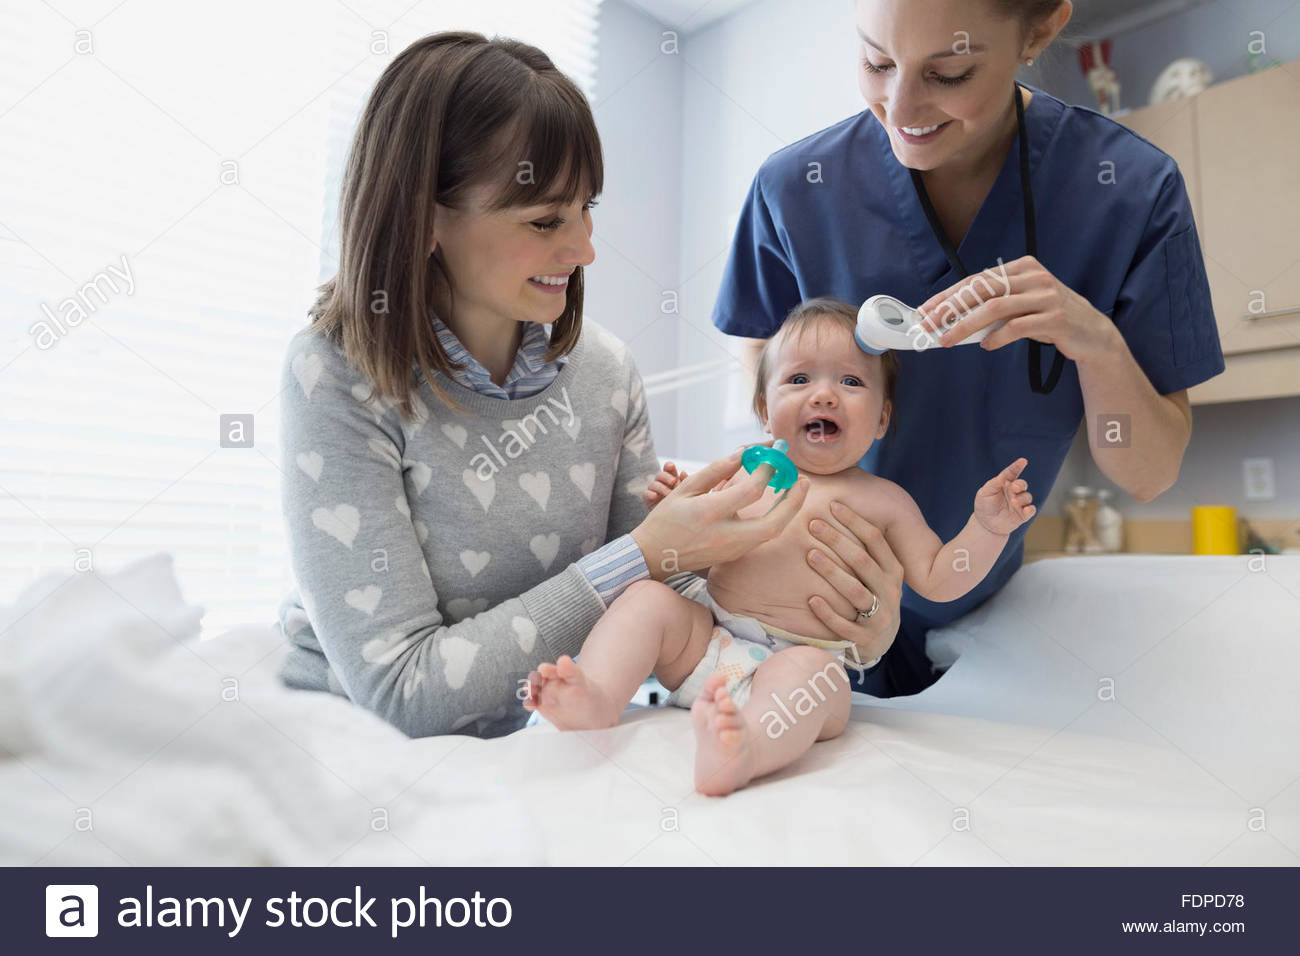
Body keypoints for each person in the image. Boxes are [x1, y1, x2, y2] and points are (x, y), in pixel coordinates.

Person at [275, 32, 894, 739]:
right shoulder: (334, 374)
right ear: (424, 219)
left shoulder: (604, 372)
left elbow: (672, 602)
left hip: (529, 742)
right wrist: (647, 555)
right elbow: (403, 693)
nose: (584, 250)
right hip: (345, 749)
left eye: (585, 208)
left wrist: (834, 624)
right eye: (545, 220)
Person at [712, 0, 1224, 697]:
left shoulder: (1130, 191)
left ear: (1039, 30)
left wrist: (1093, 340)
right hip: (814, 611)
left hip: (987, 619)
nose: (900, 107)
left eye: (948, 72)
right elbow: (766, 366)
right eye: (876, 62)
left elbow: (1148, 473)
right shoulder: (795, 189)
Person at [523, 299, 1036, 794]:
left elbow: (940, 577)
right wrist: (671, 511)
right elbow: (690, 559)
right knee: (645, 602)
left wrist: (987, 528)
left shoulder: (886, 502)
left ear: (881, 419)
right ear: (766, 411)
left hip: (804, 670)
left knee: (809, 674)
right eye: (799, 379)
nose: (824, 396)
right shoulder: (747, 473)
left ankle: (744, 749)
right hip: (707, 645)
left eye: (851, 381)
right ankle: (597, 697)